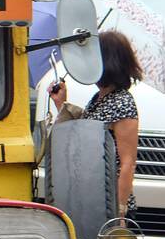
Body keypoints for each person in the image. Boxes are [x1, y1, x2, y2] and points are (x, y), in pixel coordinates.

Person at [48, 30, 143, 213]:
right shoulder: (98, 98)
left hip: (109, 205)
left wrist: (119, 211)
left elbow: (127, 164)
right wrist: (61, 102)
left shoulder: (122, 102)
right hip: (91, 198)